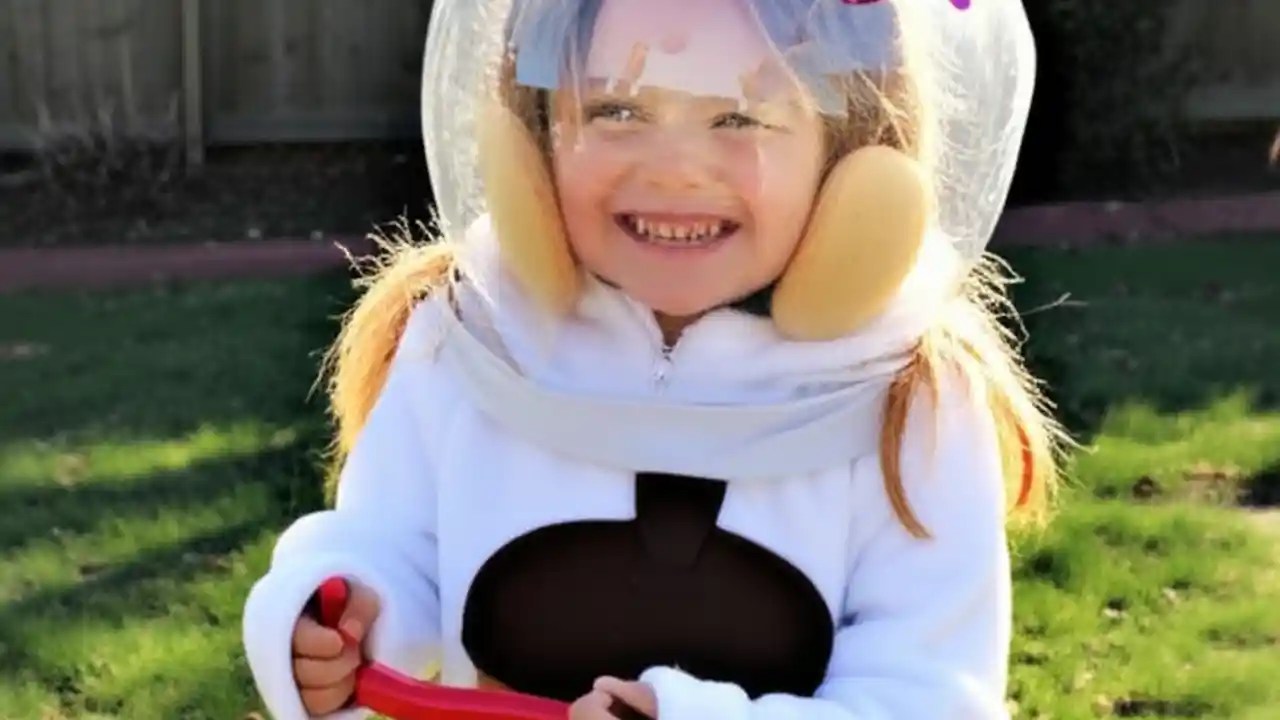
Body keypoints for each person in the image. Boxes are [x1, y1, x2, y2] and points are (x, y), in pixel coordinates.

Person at [242, 0, 1064, 718]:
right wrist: (337, 617)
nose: (674, 170)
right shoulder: (470, 336)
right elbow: (391, 539)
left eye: (741, 117)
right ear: (530, 133)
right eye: (616, 110)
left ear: (856, 151)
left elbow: (929, 695)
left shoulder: (908, 398)